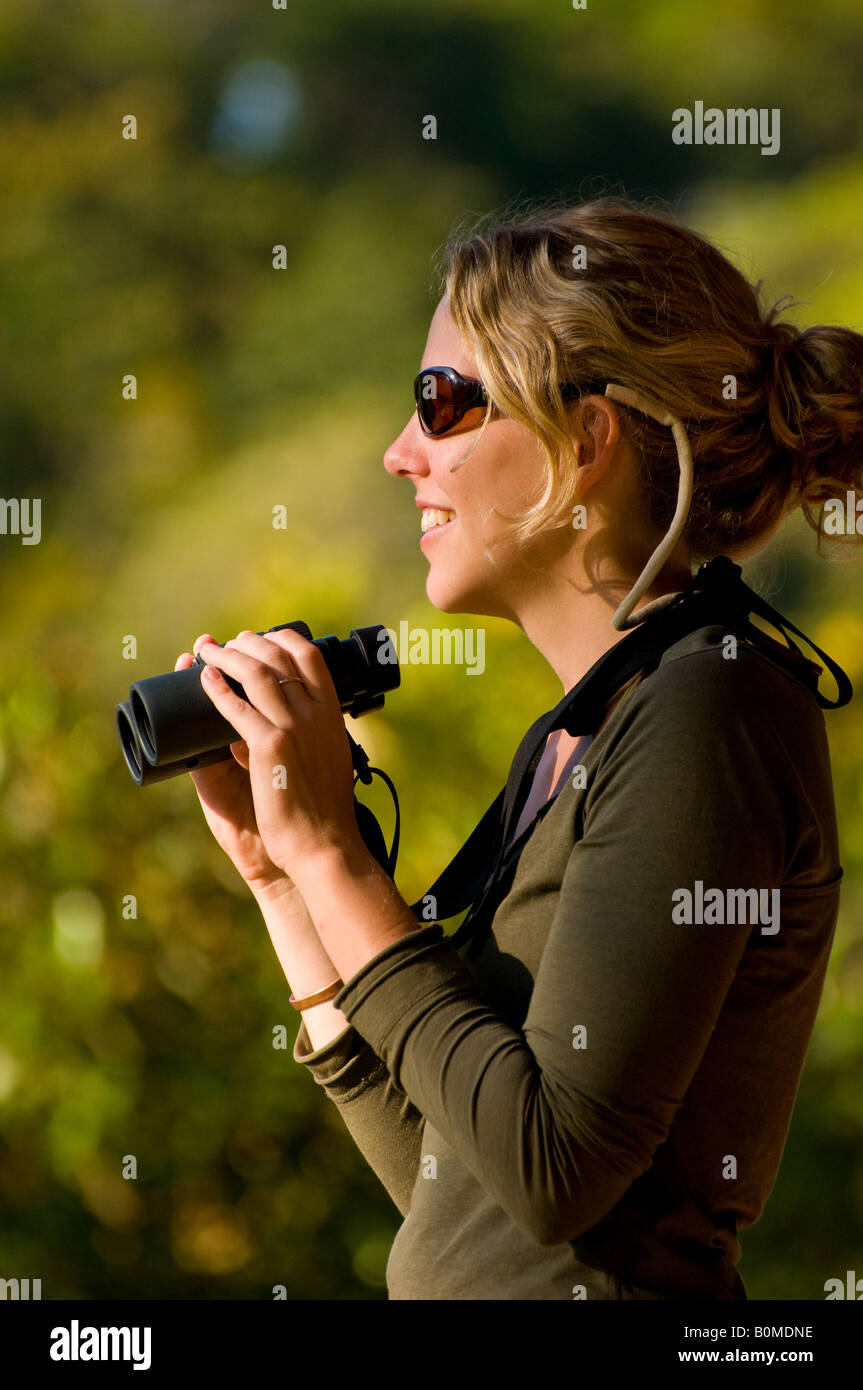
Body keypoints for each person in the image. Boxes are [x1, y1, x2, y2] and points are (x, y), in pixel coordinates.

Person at [174, 198, 863, 1300]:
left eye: (437, 403)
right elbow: (466, 1195)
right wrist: (282, 882)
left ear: (583, 443)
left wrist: (333, 862)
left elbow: (555, 1172)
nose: (398, 454)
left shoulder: (709, 710)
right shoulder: (584, 731)